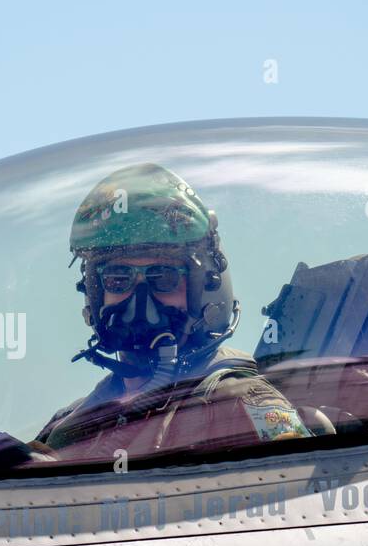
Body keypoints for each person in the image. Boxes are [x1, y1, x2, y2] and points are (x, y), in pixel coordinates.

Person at [34, 163, 312, 461]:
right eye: (118, 277)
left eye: (163, 276)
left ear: (204, 287)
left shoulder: (240, 403)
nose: (140, 300)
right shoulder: (70, 424)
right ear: (95, 292)